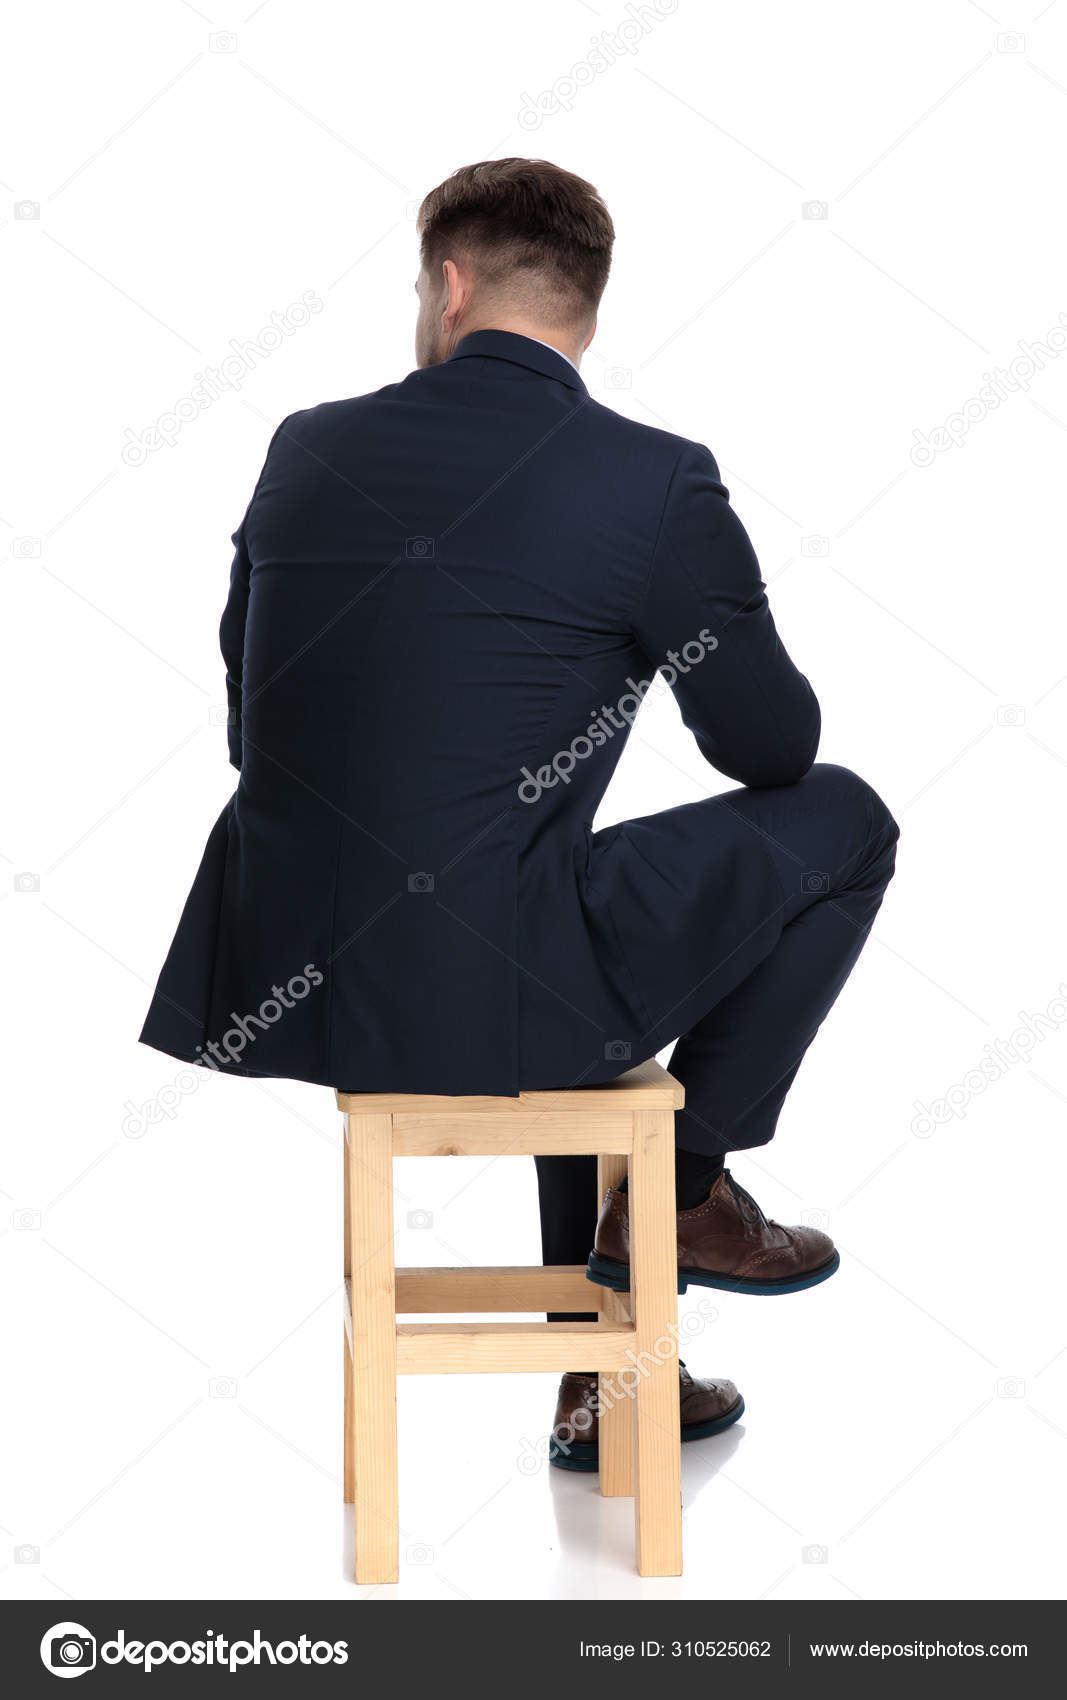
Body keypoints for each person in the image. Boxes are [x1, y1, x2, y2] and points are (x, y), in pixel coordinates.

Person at [141, 158, 898, 1472]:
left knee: (549, 911)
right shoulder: (653, 481)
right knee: (842, 823)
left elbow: (253, 710)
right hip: (487, 973)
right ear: (589, 309)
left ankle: (597, 1393)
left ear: (448, 282)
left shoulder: (307, 445)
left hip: (285, 968)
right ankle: (676, 1193)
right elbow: (775, 745)